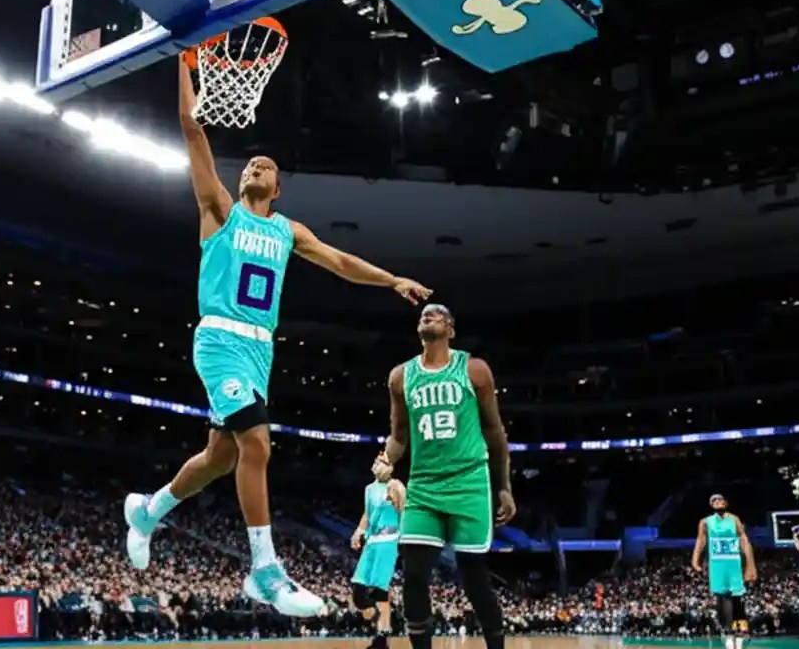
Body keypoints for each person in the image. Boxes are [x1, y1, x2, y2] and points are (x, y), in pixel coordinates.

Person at [123, 53, 432, 617]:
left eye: (265, 165)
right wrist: (182, 59)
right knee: (258, 444)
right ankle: (264, 570)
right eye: (250, 164)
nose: (255, 167)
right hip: (219, 339)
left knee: (219, 457)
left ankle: (147, 510)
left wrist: (391, 281)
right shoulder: (219, 210)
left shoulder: (288, 230)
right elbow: (192, 128)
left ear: (279, 187)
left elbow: (339, 260)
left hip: (260, 350)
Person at [378, 303, 515, 649]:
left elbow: (495, 431)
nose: (429, 314)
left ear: (451, 329)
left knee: (474, 578)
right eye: (424, 313)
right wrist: (384, 459)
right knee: (413, 576)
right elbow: (398, 437)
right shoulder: (400, 376)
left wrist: (504, 487)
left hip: (469, 480)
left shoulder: (474, 369)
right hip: (424, 486)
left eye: (438, 313)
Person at [350, 454, 406, 649]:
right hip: (371, 543)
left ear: (390, 468)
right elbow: (367, 514)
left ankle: (382, 638)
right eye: (376, 462)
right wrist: (358, 531)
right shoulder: (369, 489)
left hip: (388, 541)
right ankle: (379, 619)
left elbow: (404, 513)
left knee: (378, 590)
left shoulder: (396, 486)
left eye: (382, 462)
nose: (378, 465)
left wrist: (398, 498)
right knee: (358, 594)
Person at [692, 494, 758, 649]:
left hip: (733, 562)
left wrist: (750, 564)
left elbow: (744, 541)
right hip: (717, 563)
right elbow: (700, 541)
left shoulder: (734, 520)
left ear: (726, 503)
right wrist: (695, 559)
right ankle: (727, 629)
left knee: (736, 595)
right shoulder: (706, 522)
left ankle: (736, 629)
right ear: (711, 505)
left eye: (720, 500)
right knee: (721, 598)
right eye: (714, 501)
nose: (717, 502)